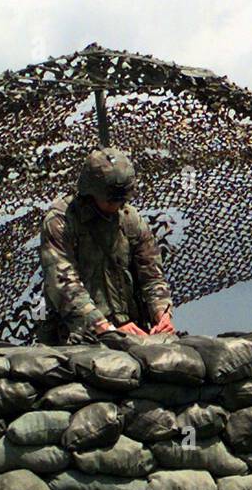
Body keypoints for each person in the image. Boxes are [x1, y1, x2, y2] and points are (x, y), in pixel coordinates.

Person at [38, 147, 174, 346]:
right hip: (77, 337)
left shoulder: (130, 220)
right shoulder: (62, 221)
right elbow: (64, 285)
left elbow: (152, 275)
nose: (117, 206)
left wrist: (162, 313)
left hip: (132, 332)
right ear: (91, 193)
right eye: (111, 200)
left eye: (122, 200)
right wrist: (104, 327)